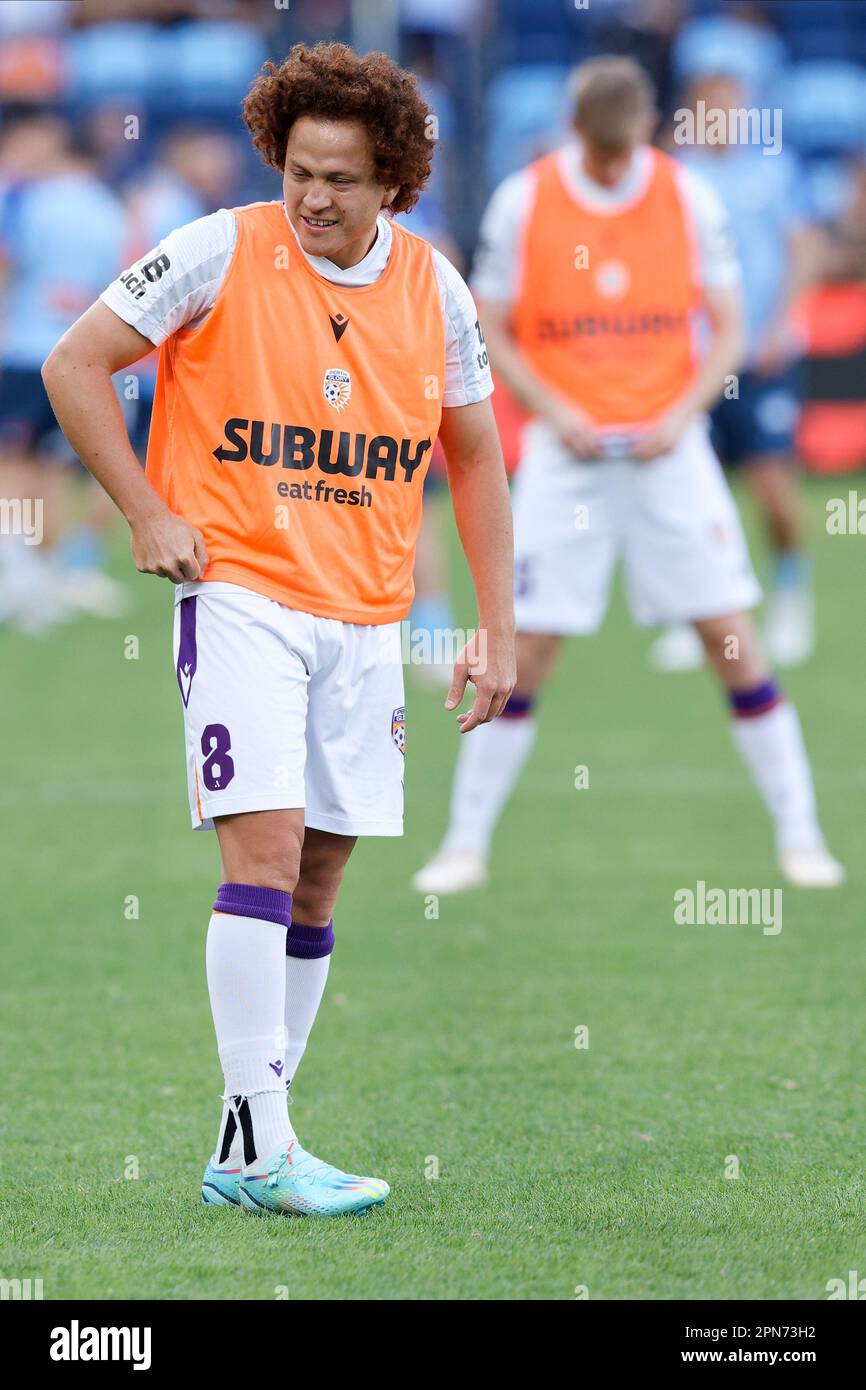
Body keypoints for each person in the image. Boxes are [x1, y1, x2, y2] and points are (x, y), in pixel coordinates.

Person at [42, 42, 515, 1217]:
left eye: (342, 178)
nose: (313, 196)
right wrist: (145, 510)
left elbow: (476, 457)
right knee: (259, 856)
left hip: (365, 616)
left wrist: (493, 626)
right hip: (242, 593)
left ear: (394, 182)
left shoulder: (437, 290)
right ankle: (261, 1152)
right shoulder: (218, 248)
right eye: (300, 169)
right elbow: (74, 363)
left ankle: (244, 1138)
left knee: (318, 879)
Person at [413, 56, 843, 897]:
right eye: (601, 154)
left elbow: (726, 323)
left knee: (732, 642)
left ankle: (801, 835)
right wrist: (552, 409)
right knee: (523, 649)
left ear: (646, 131)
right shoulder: (526, 198)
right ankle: (464, 845)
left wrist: (684, 413)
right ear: (576, 130)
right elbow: (486, 322)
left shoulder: (686, 195)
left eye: (626, 152)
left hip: (666, 456)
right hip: (565, 463)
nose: (614, 168)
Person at [650, 72, 819, 673]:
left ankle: (792, 597)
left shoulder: (774, 169)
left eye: (731, 106)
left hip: (760, 355)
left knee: (772, 488)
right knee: (690, 496)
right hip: (693, 361)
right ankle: (690, 616)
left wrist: (779, 323)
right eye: (711, 107)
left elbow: (803, 250)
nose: (723, 116)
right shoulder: (676, 174)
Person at [0, 106, 127, 630]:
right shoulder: (110, 209)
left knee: (12, 469)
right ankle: (41, 579)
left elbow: (8, 266)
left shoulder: (26, 199)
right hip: (78, 359)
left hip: (24, 351)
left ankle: (16, 571)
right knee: (51, 473)